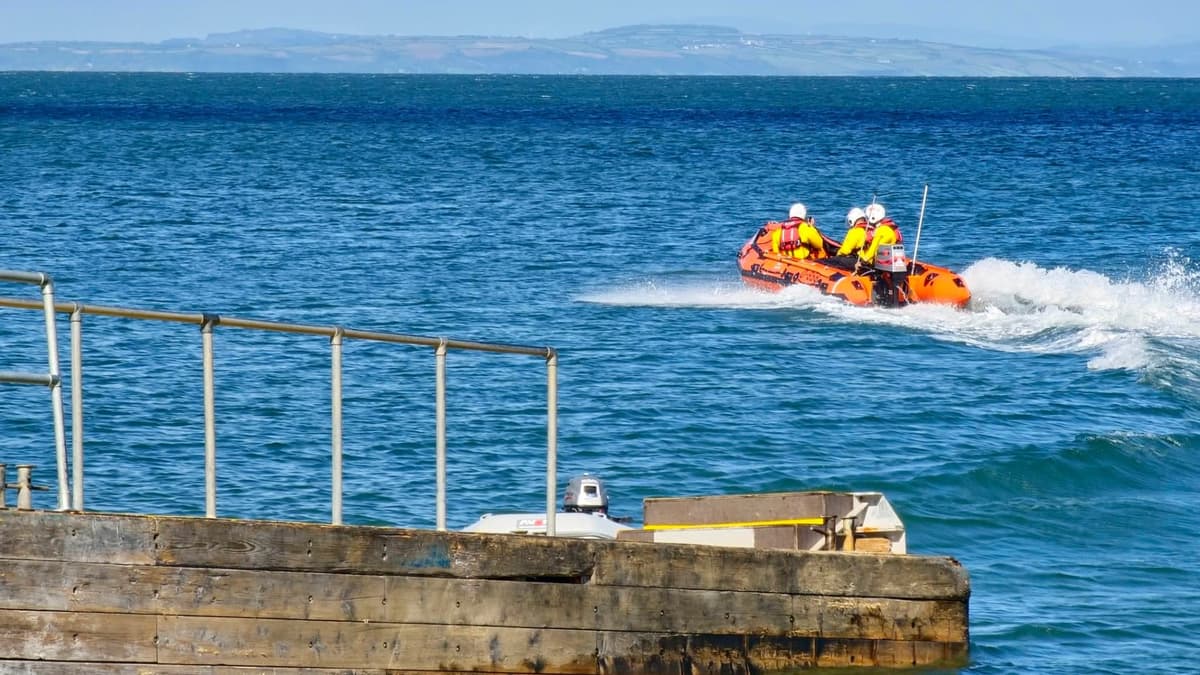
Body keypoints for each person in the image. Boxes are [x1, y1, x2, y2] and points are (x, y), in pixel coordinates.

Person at [854, 203, 903, 273]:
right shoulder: (891, 229)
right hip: (898, 267)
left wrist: (861, 263)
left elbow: (871, 251)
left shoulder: (881, 231)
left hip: (885, 268)